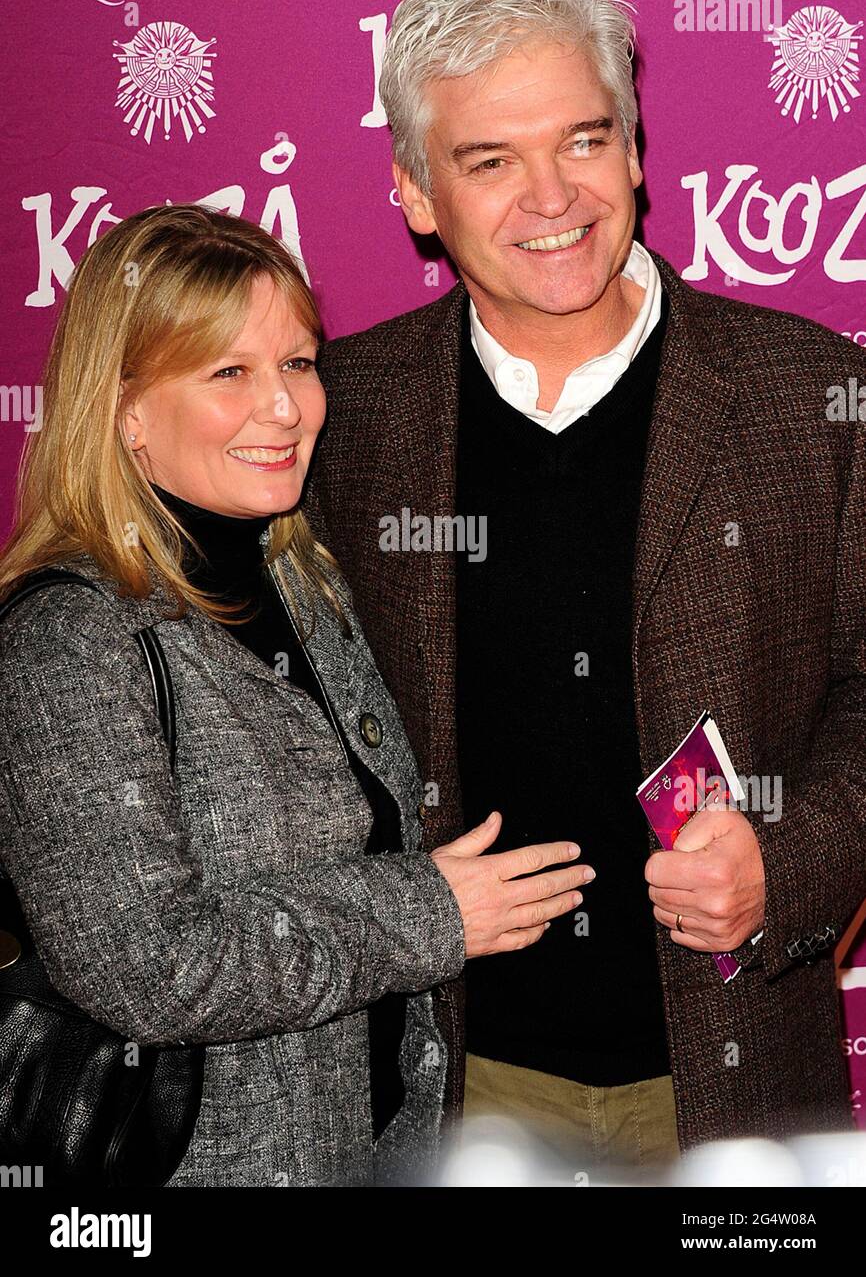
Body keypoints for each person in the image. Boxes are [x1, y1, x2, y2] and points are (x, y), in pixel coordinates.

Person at [302, 0, 866, 1169]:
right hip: (448, 1085)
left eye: (583, 139)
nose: (551, 196)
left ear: (636, 150)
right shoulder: (337, 418)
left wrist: (789, 856)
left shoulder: (812, 394)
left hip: (737, 1077)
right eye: (488, 160)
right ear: (412, 191)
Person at [0, 203, 592, 1187]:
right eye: (228, 372)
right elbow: (149, 965)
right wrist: (428, 914)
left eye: (299, 363)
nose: (284, 408)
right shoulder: (69, 642)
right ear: (124, 408)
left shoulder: (304, 583)